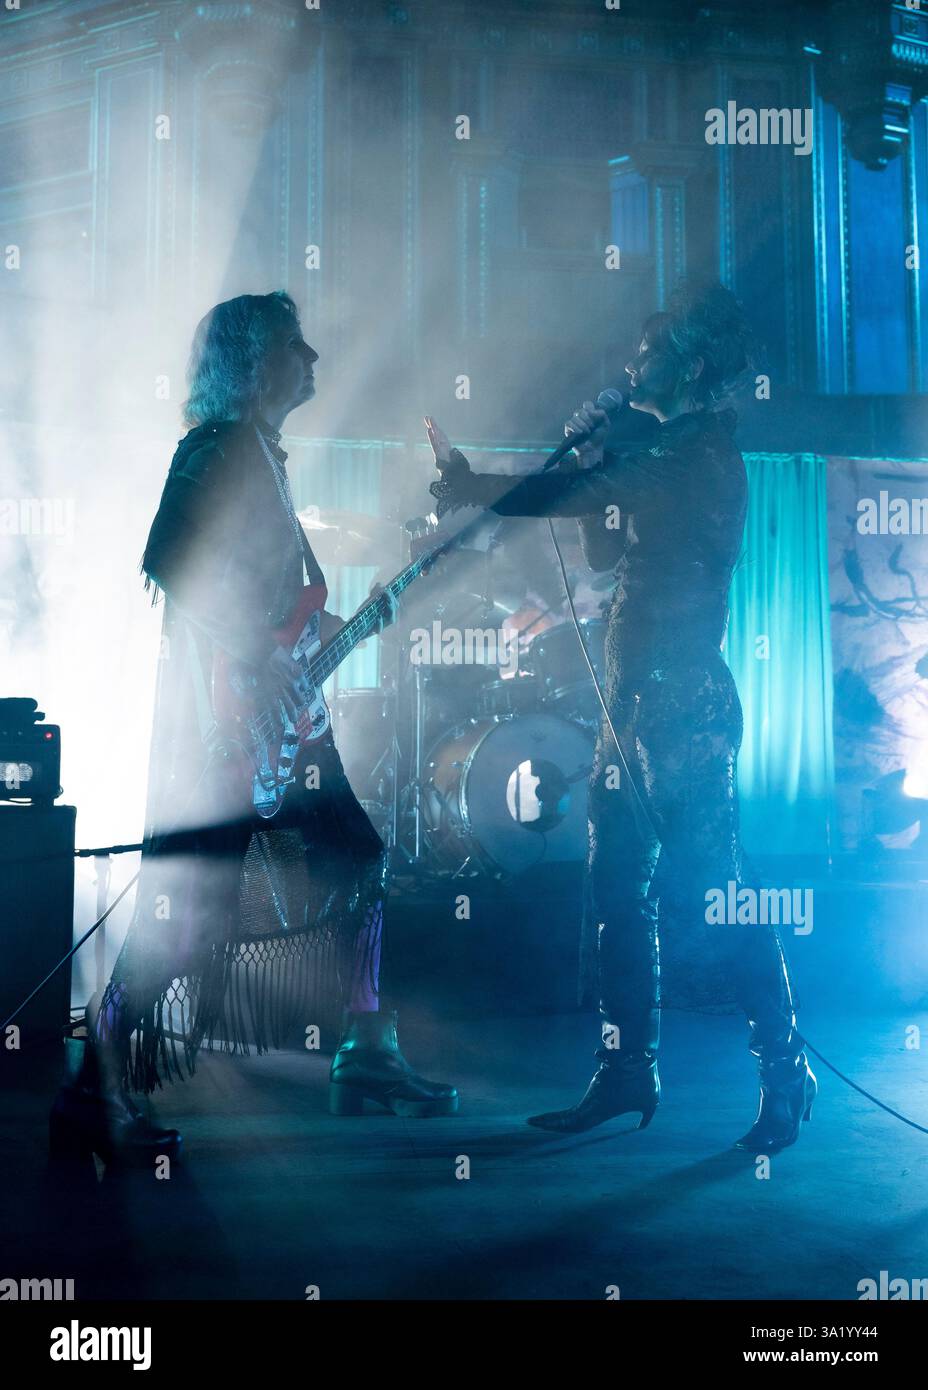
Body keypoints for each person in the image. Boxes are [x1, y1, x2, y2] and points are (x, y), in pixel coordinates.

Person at [51, 291, 457, 1165]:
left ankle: (367, 1051)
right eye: (293, 347)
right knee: (184, 918)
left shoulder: (264, 456)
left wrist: (314, 637)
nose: (313, 359)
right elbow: (168, 555)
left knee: (359, 858)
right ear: (255, 363)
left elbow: (277, 600)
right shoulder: (216, 447)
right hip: (225, 737)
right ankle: (92, 1092)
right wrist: (261, 659)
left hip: (288, 733)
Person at [428, 282, 815, 1153]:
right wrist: (593, 453)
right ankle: (626, 1068)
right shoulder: (666, 450)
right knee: (616, 895)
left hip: (684, 714)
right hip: (629, 711)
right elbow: (605, 531)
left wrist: (474, 485)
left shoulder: (698, 454)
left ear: (697, 365)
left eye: (659, 346)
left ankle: (786, 1072)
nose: (637, 358)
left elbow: (580, 492)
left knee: (722, 897)